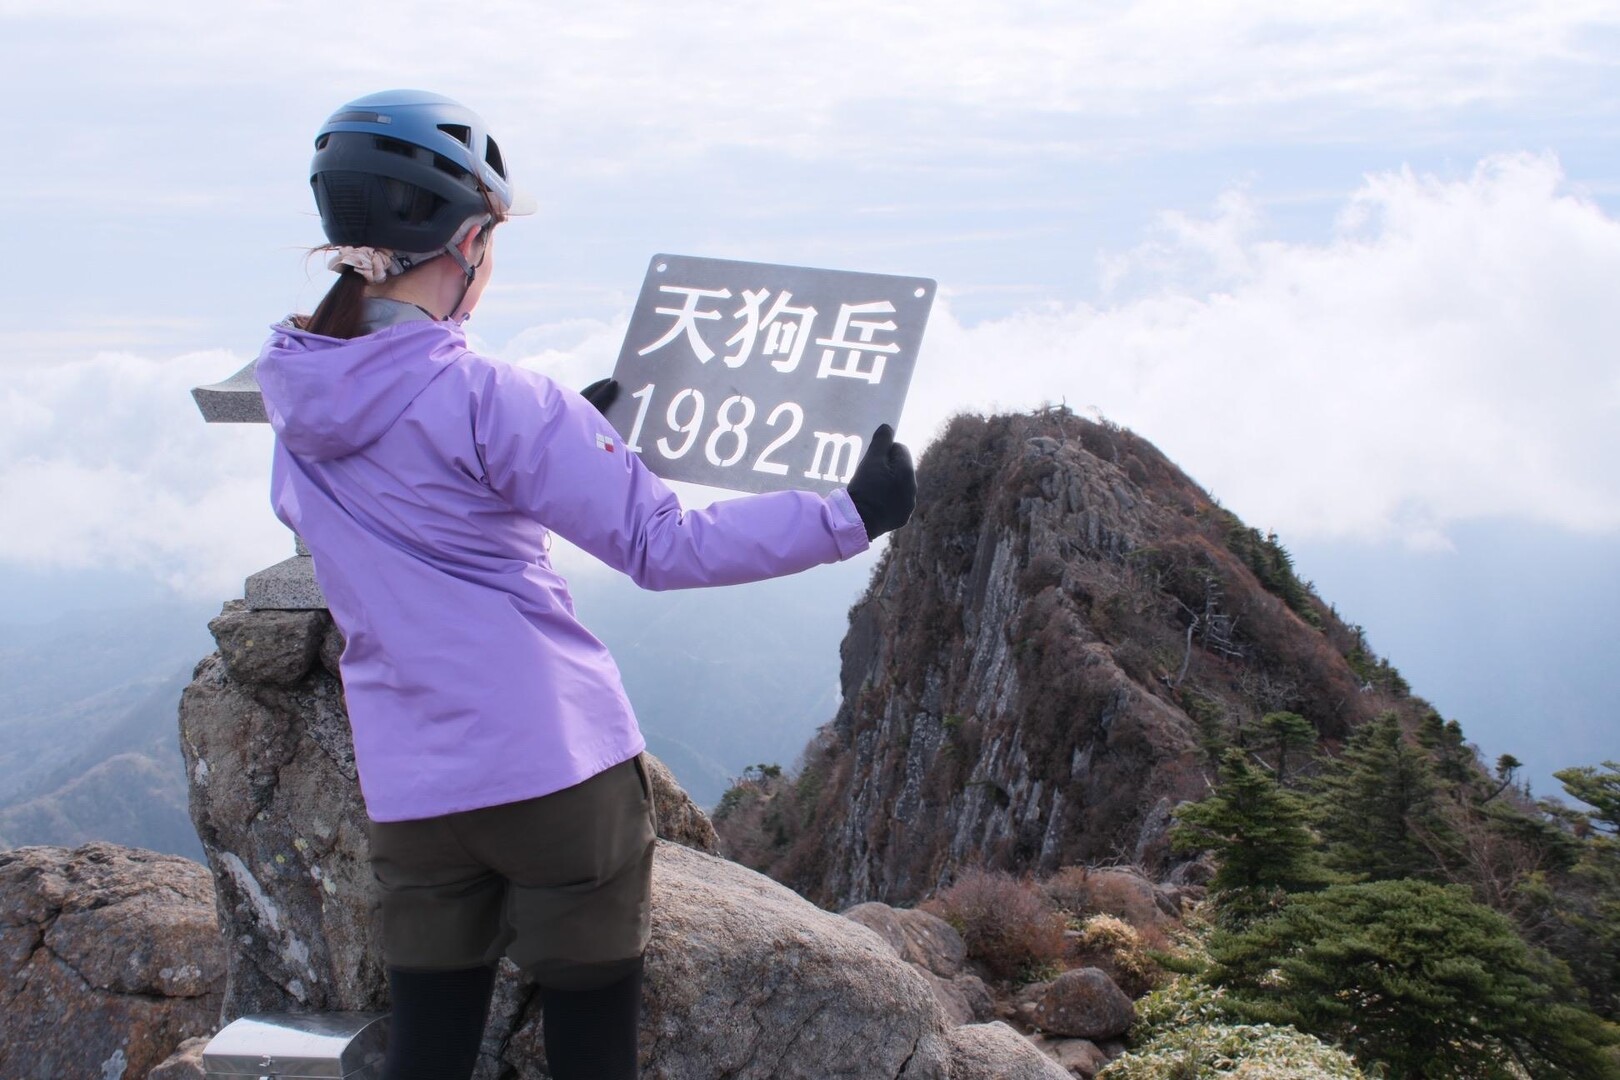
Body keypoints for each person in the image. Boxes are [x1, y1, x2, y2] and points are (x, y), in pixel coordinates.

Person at [252, 90, 917, 1080]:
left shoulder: (297, 400)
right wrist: (849, 513)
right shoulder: (495, 398)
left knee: (427, 1054)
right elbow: (663, 544)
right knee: (590, 1056)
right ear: (469, 239)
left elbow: (357, 515)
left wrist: (572, 436)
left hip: (412, 784)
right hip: (554, 770)